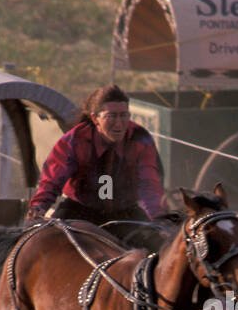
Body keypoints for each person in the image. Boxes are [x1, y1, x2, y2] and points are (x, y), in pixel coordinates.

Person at [24, 84, 166, 246]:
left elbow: (150, 185)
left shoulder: (140, 139)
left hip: (125, 213)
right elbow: (52, 179)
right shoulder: (75, 140)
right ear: (95, 118)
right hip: (80, 211)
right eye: (111, 116)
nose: (119, 124)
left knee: (159, 247)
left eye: (124, 115)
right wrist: (39, 206)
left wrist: (157, 218)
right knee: (48, 245)